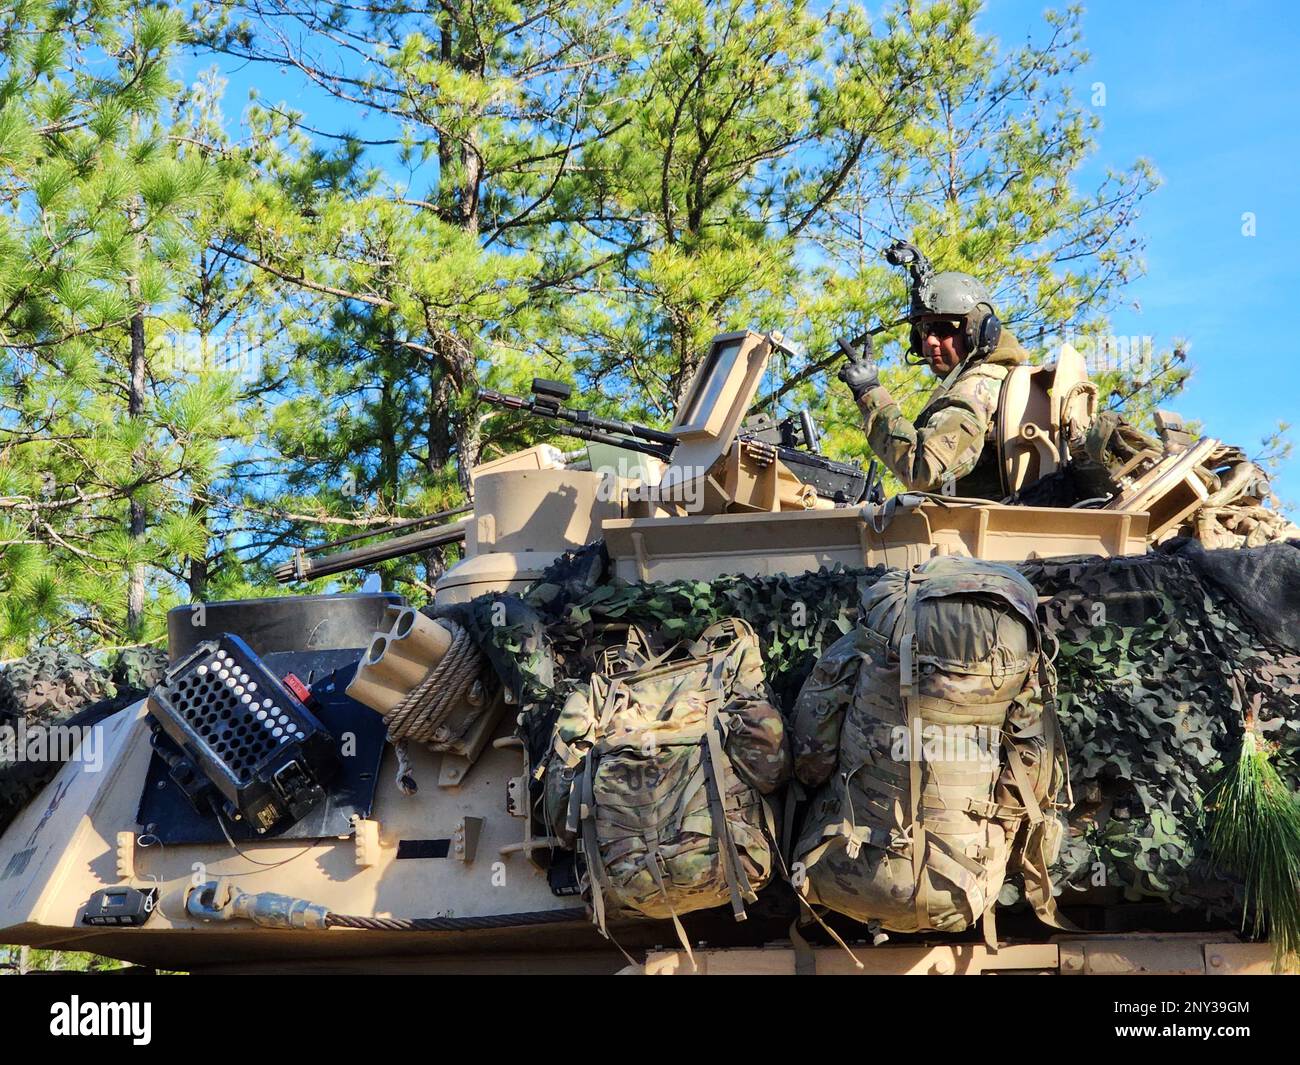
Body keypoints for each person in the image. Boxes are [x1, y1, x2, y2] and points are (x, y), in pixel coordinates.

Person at [838, 270, 1030, 499]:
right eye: (924, 330)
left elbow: (922, 469)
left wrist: (871, 395)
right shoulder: (996, 379)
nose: (929, 341)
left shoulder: (976, 389)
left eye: (944, 329)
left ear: (978, 332)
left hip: (964, 530)